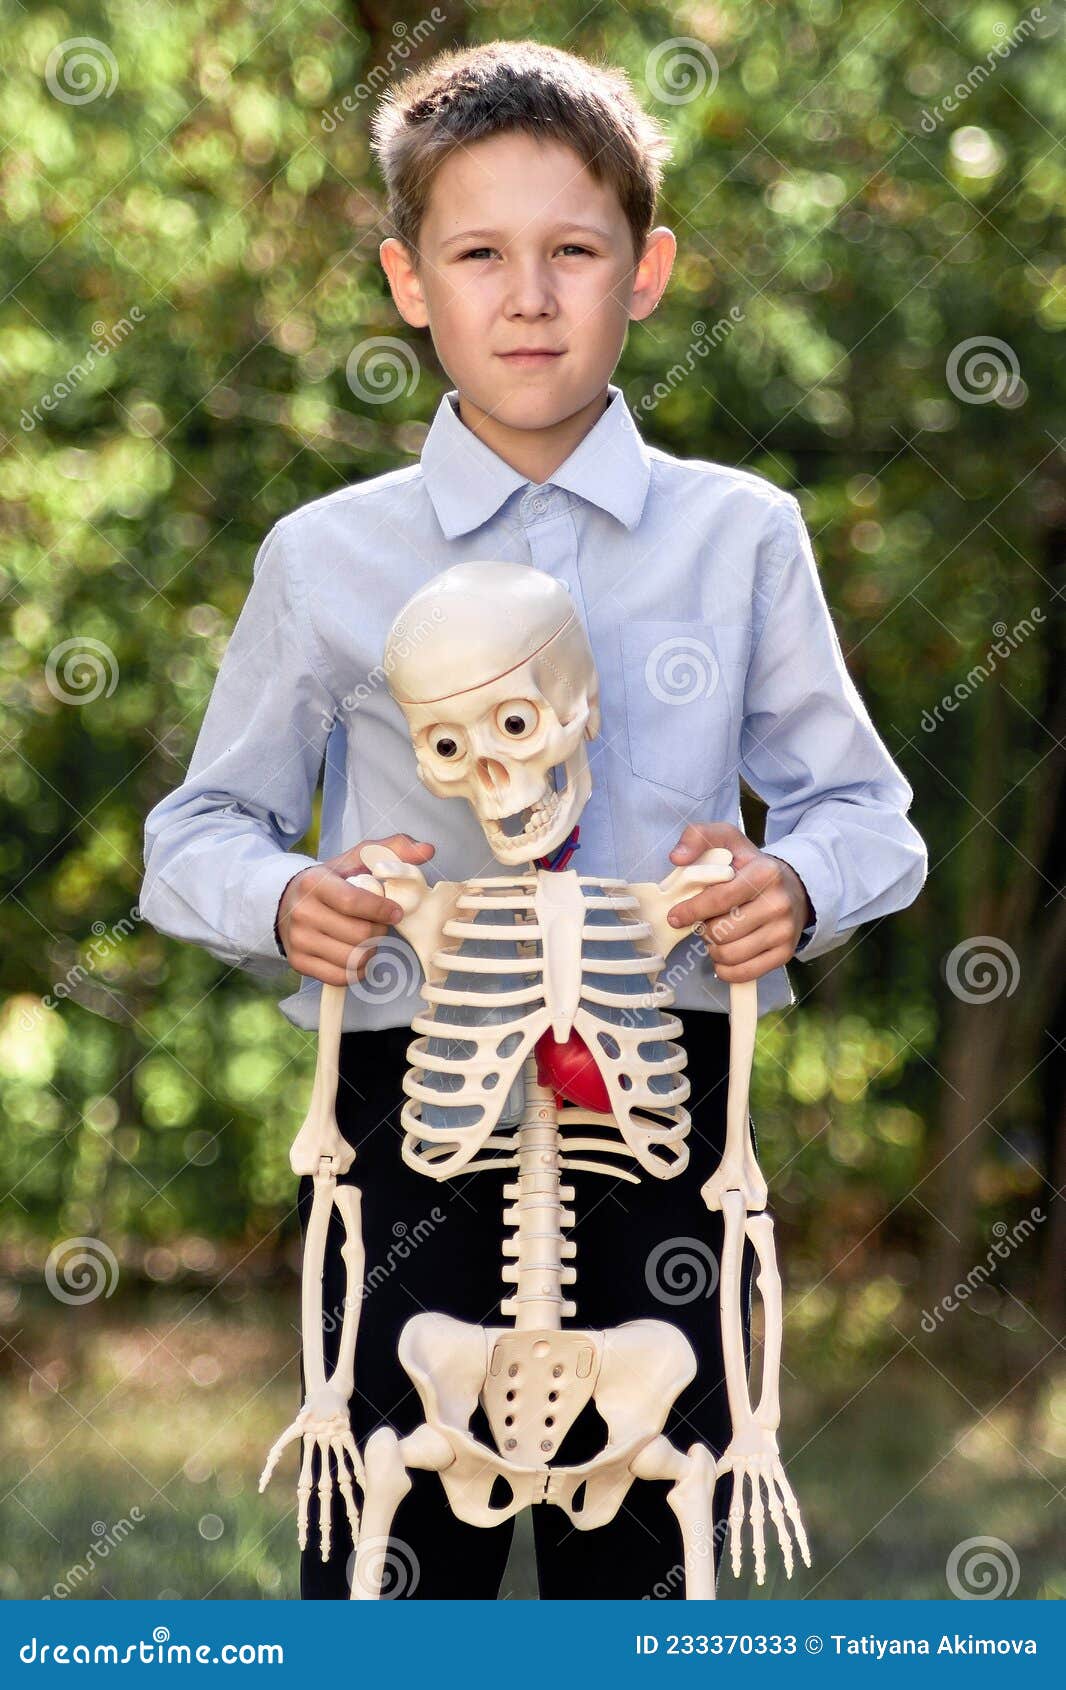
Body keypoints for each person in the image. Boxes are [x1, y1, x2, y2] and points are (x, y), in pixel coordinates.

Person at [139, 39, 927, 1600]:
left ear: (646, 272)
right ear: (405, 280)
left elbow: (866, 812)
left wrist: (795, 882)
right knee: (382, 1552)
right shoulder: (325, 556)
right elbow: (199, 828)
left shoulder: (739, 535)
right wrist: (286, 898)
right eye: (477, 253)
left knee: (647, 1559)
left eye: (574, 250)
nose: (528, 295)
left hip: (666, 1118)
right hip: (399, 1101)